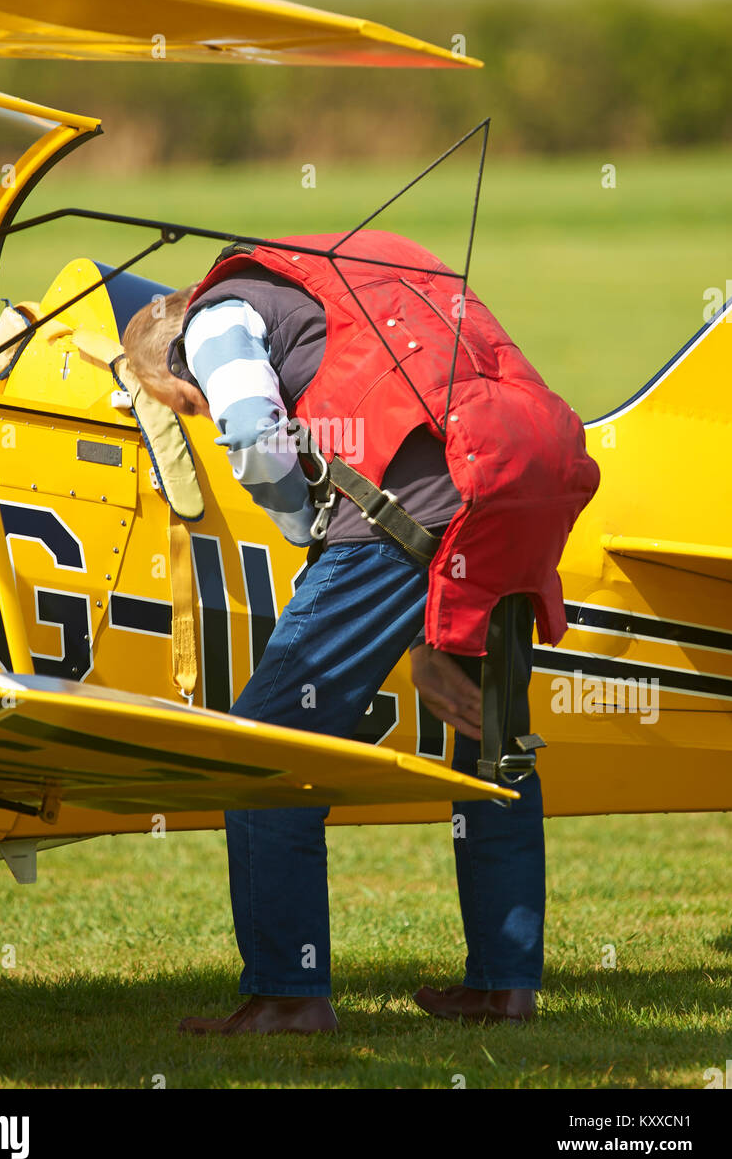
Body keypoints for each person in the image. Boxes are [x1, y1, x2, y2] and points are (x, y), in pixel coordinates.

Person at [121, 230, 599, 1035]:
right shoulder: (323, 291)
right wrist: (424, 641)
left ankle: (289, 995)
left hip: (417, 510)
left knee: (265, 750)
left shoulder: (210, 320)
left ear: (172, 369)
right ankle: (504, 987)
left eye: (185, 403)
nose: (196, 409)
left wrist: (304, 524)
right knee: (495, 746)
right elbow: (423, 435)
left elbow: (247, 427)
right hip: (526, 483)